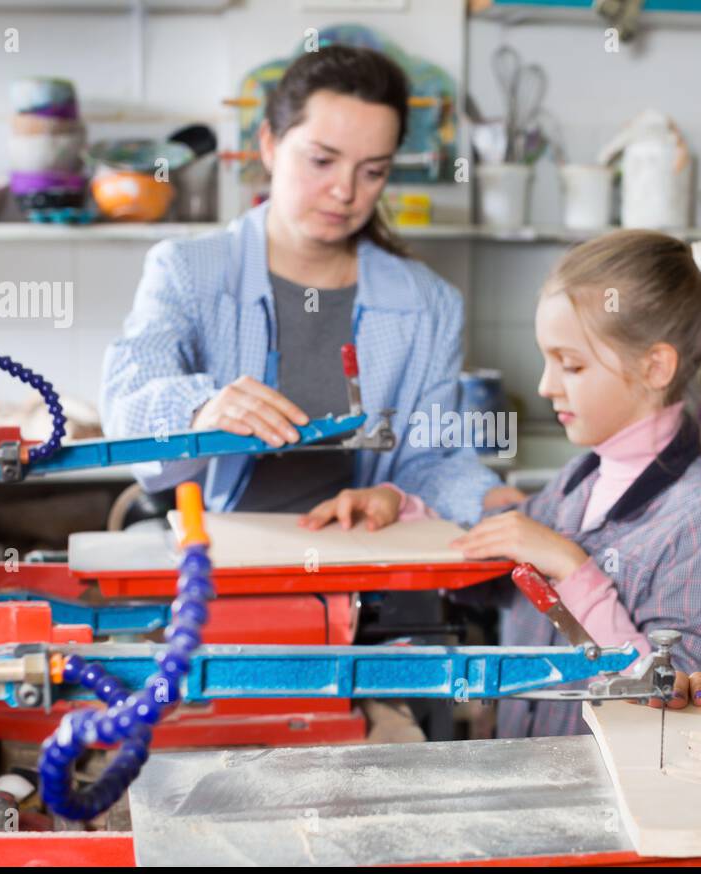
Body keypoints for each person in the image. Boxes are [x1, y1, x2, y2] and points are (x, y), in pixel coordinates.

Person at [363, 230, 701, 737]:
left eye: (571, 364)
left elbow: (684, 706)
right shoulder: (576, 484)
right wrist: (399, 509)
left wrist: (572, 569)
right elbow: (486, 563)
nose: (544, 385)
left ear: (655, 367)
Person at [100, 44, 514, 523]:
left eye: (373, 171)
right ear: (270, 144)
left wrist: (485, 502)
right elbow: (126, 414)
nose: (345, 191)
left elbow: (430, 462)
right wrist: (200, 412)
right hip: (222, 567)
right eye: (322, 161)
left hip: (364, 567)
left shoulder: (430, 305)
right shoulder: (189, 271)